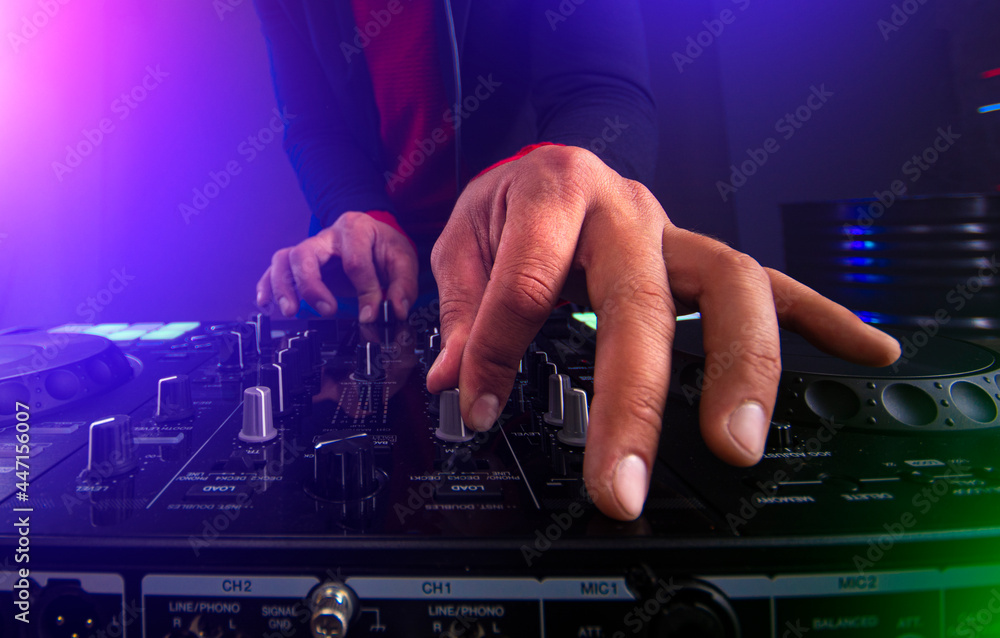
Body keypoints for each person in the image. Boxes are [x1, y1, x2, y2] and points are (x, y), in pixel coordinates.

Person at [252, 0, 901, 521]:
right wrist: (359, 209)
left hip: (527, 243)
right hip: (373, 274)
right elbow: (310, 121)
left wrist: (567, 181)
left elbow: (602, 84)